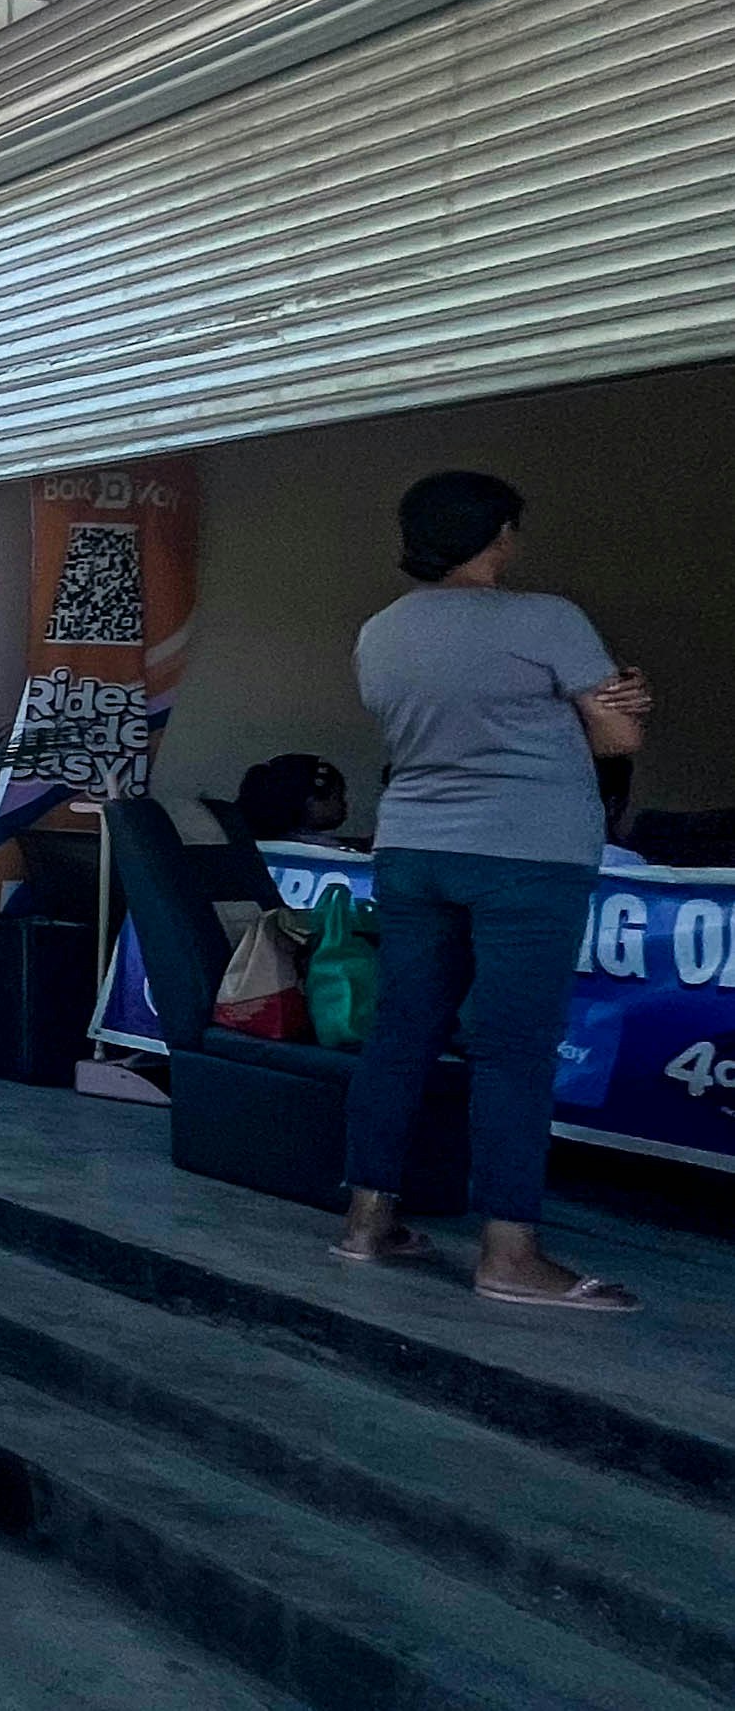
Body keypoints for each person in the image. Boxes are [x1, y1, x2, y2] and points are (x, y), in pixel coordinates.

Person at [335, 471, 648, 1311]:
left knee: (401, 1034)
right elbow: (614, 736)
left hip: (410, 848)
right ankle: (508, 1253)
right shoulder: (545, 619)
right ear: (499, 534)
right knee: (511, 1051)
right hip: (527, 854)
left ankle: (367, 1224)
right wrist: (626, 701)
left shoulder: (380, 632)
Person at [234, 753, 351, 843]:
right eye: (337, 797)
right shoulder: (325, 854)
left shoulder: (238, 841)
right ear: (311, 800)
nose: (344, 805)